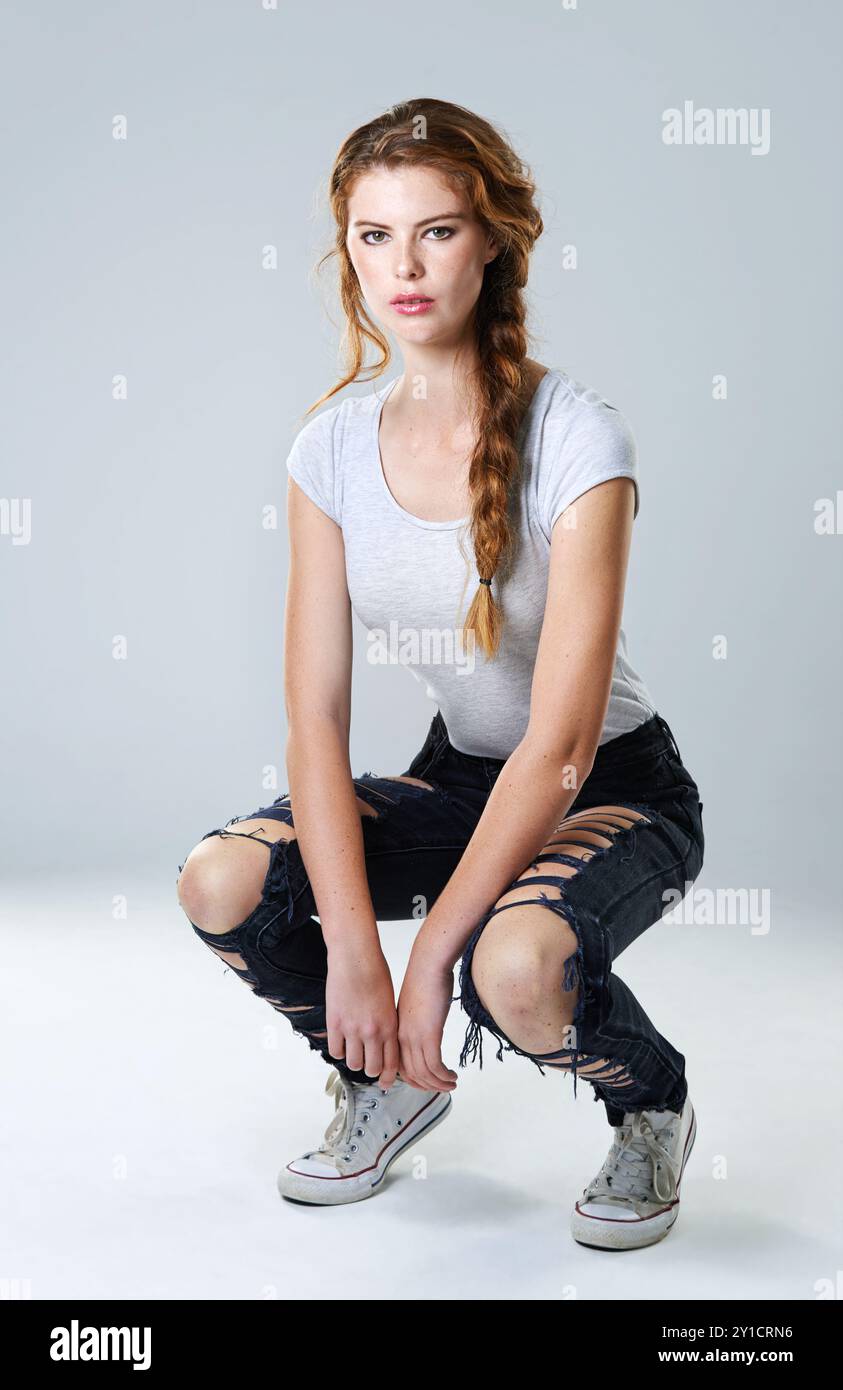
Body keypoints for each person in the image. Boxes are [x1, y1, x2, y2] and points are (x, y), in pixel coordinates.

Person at [176, 97, 705, 1252]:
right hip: (462, 775)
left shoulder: (577, 437)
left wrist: (432, 966)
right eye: (374, 236)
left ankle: (650, 1102)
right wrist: (360, 959)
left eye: (437, 231)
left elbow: (561, 748)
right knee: (224, 881)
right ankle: (387, 1079)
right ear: (346, 251)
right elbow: (315, 716)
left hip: (611, 789)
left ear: (492, 240)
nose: (403, 267)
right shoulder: (327, 448)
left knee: (508, 973)